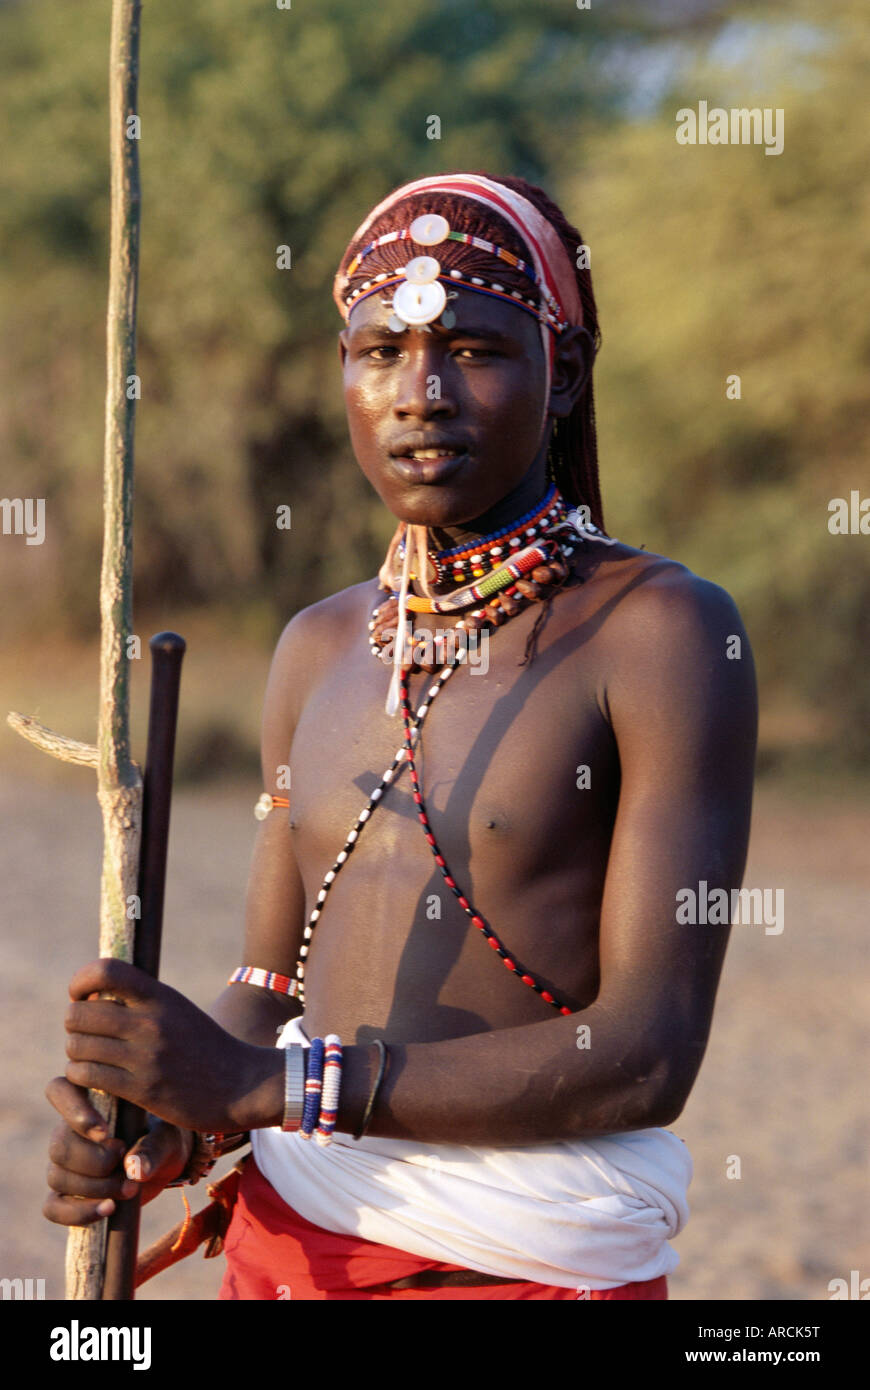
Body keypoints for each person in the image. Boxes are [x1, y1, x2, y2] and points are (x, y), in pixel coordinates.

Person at [44, 171, 758, 1300]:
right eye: (379, 352)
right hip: (295, 1241)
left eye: (473, 349)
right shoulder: (318, 646)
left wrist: (269, 1089)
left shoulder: (661, 630)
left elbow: (646, 1052)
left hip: (515, 1263)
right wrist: (168, 1114)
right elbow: (267, 986)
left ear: (562, 373)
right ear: (343, 371)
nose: (419, 392)